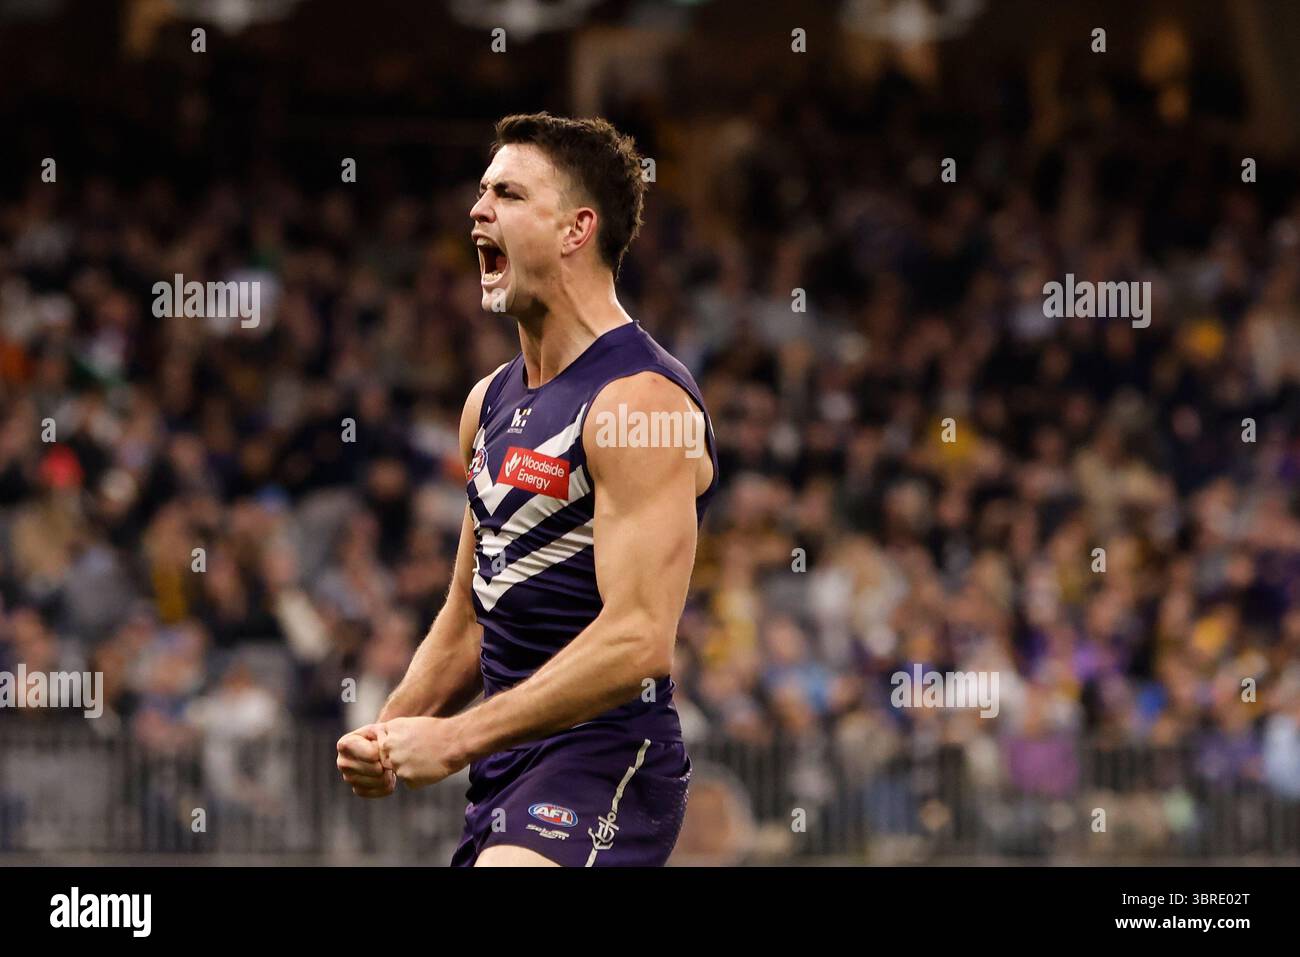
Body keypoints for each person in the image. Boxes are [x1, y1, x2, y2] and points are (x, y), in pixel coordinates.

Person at [335, 112, 718, 866]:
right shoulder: (487, 404)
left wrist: (452, 736)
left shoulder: (641, 401)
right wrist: (390, 731)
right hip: (503, 772)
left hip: (607, 760)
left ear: (577, 228)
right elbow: (470, 618)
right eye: (481, 191)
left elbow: (640, 639)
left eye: (506, 194)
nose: (477, 210)